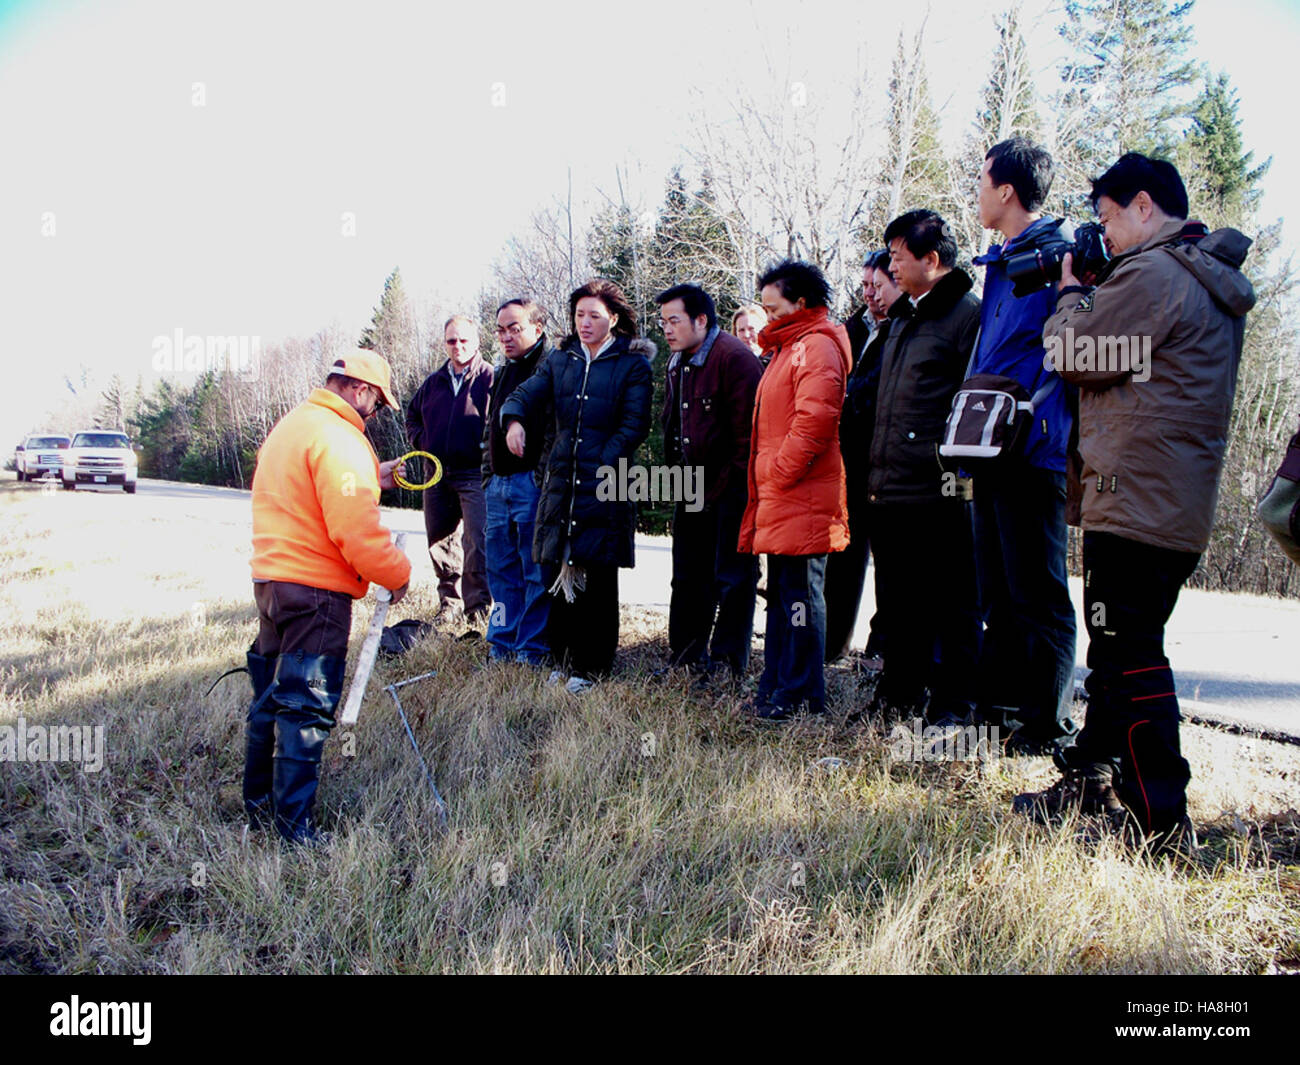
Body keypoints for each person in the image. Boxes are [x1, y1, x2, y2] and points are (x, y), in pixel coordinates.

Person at [1015, 153, 1256, 844]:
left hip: (1137, 499)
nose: (1106, 236)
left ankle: (1160, 821)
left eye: (1108, 219)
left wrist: (1068, 294)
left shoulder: (1156, 273)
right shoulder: (1201, 279)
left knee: (1132, 652)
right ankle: (1092, 778)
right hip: (1168, 500)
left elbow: (1071, 353)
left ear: (1144, 206)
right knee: (1119, 644)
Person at [246, 350, 411, 843]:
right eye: (377, 405)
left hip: (273, 584)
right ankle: (294, 831)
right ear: (360, 390)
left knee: (270, 701)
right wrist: (398, 573)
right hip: (316, 593)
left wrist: (372, 476)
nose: (375, 414)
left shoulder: (295, 424)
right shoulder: (341, 439)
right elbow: (355, 532)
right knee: (306, 707)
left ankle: (258, 807)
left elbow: (310, 492)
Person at [969, 138, 1079, 754]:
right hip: (987, 447)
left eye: (983, 179)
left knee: (1039, 593)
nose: (978, 191)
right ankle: (1004, 714)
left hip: (1033, 449)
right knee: (1000, 591)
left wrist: (1034, 418)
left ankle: (1049, 725)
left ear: (1007, 189)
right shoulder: (1002, 258)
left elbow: (1065, 353)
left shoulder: (1055, 258)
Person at [498, 279, 654, 694]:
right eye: (579, 315)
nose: (585, 323)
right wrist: (513, 421)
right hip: (561, 482)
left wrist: (602, 460)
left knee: (597, 576)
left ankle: (592, 667)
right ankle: (562, 658)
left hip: (606, 483)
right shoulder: (561, 360)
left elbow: (635, 425)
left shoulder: (632, 365)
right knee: (556, 569)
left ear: (614, 319)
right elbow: (526, 394)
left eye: (595, 316)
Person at [864, 210, 982, 730]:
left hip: (942, 489)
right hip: (889, 487)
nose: (891, 265)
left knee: (952, 604)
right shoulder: (903, 319)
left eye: (898, 256)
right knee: (898, 602)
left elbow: (971, 404)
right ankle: (896, 696)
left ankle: (954, 704)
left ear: (931, 260)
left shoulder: (966, 316)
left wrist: (956, 480)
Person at [738, 259, 851, 720]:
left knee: (802, 599)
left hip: (801, 497)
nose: (767, 317)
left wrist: (778, 474)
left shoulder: (815, 347)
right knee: (785, 598)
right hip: (784, 498)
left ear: (800, 303)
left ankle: (803, 693)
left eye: (773, 307)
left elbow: (816, 420)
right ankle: (778, 685)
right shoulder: (788, 347)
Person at [656, 283, 762, 681]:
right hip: (689, 485)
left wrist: (727, 488)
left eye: (674, 320)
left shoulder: (735, 359)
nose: (667, 329)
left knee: (734, 577)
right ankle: (684, 658)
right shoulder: (677, 361)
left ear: (701, 320)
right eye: (663, 322)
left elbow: (748, 438)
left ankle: (727, 664)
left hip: (732, 489)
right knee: (686, 576)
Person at [406, 315, 493, 631]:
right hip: (436, 475)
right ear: (445, 343)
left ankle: (478, 609)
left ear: (477, 341)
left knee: (477, 542)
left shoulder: (490, 379)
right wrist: (422, 440)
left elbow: (502, 424)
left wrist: (487, 454)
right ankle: (449, 606)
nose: (458, 346)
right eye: (452, 341)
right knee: (440, 542)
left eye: (464, 340)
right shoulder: (433, 383)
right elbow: (412, 417)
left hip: (474, 475)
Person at [824, 249, 890, 666]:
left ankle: (882, 647)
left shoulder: (905, 326)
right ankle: (832, 643)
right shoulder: (850, 330)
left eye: (876, 286)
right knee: (843, 557)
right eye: (863, 285)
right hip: (845, 461)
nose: (869, 294)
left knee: (889, 561)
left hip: (885, 461)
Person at [482, 298, 555, 665]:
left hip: (531, 485)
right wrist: (486, 476)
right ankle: (501, 644)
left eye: (515, 328)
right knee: (499, 573)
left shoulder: (552, 367)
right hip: (498, 486)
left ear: (537, 328)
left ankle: (531, 649)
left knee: (534, 571)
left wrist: (541, 480)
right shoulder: (501, 371)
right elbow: (489, 427)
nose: (507, 336)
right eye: (501, 329)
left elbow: (556, 431)